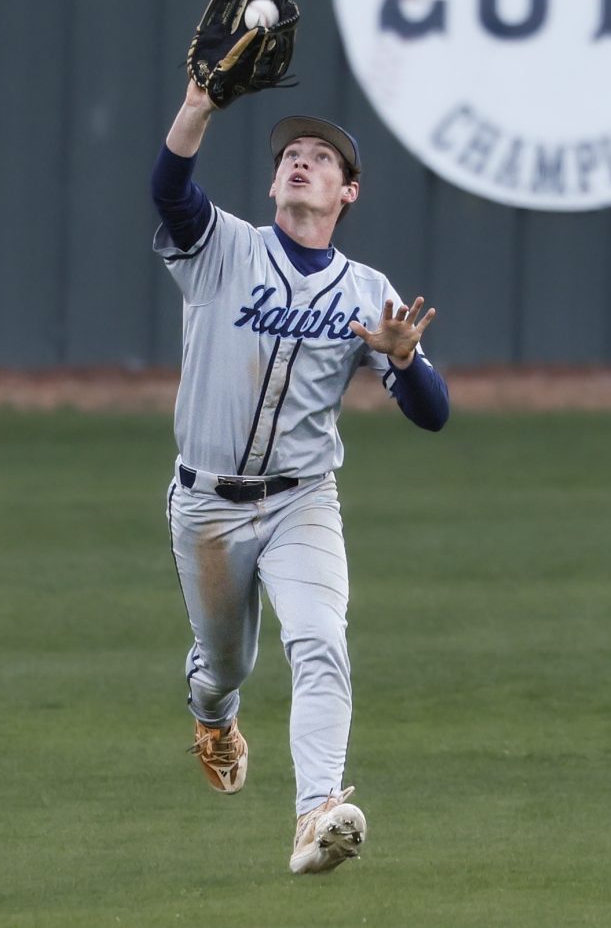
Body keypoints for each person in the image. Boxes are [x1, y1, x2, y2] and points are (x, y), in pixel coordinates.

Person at [152, 76, 450, 875]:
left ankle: (316, 812)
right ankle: (213, 714)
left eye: (320, 158)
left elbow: (433, 413)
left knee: (320, 638)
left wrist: (406, 358)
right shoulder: (225, 249)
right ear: (273, 178)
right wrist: (199, 106)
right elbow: (169, 190)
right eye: (289, 154)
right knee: (228, 665)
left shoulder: (367, 294)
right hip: (207, 506)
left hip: (302, 500)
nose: (301, 162)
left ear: (347, 192)